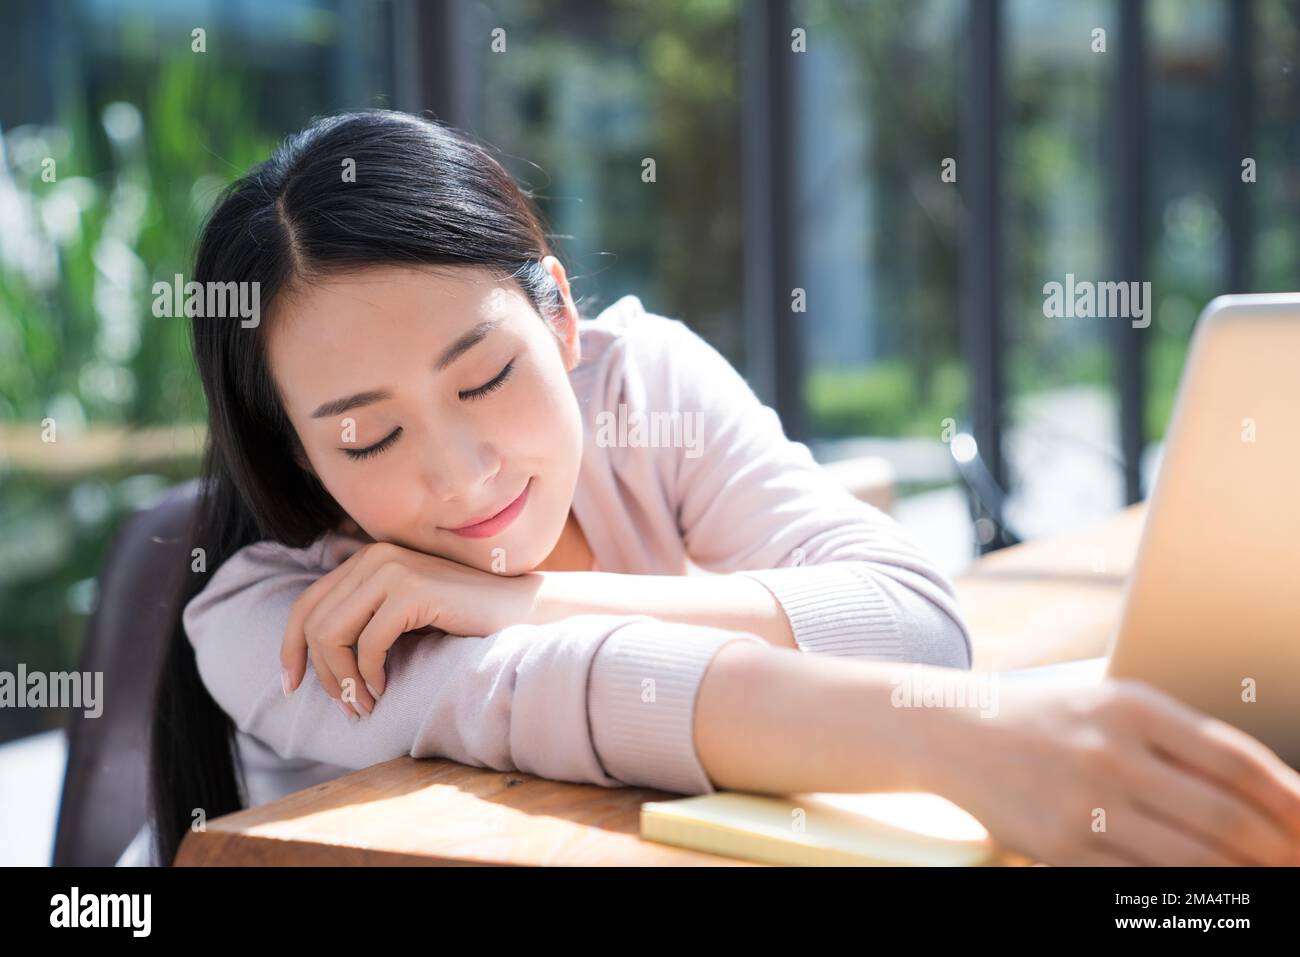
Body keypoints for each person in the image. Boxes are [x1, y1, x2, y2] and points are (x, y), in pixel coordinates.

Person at [128, 110, 1300, 868]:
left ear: (560, 318)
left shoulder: (641, 387)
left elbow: (911, 621)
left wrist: (527, 599)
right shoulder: (279, 618)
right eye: (368, 438)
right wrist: (972, 748)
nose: (460, 471)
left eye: (483, 377)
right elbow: (578, 692)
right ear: (295, 455)